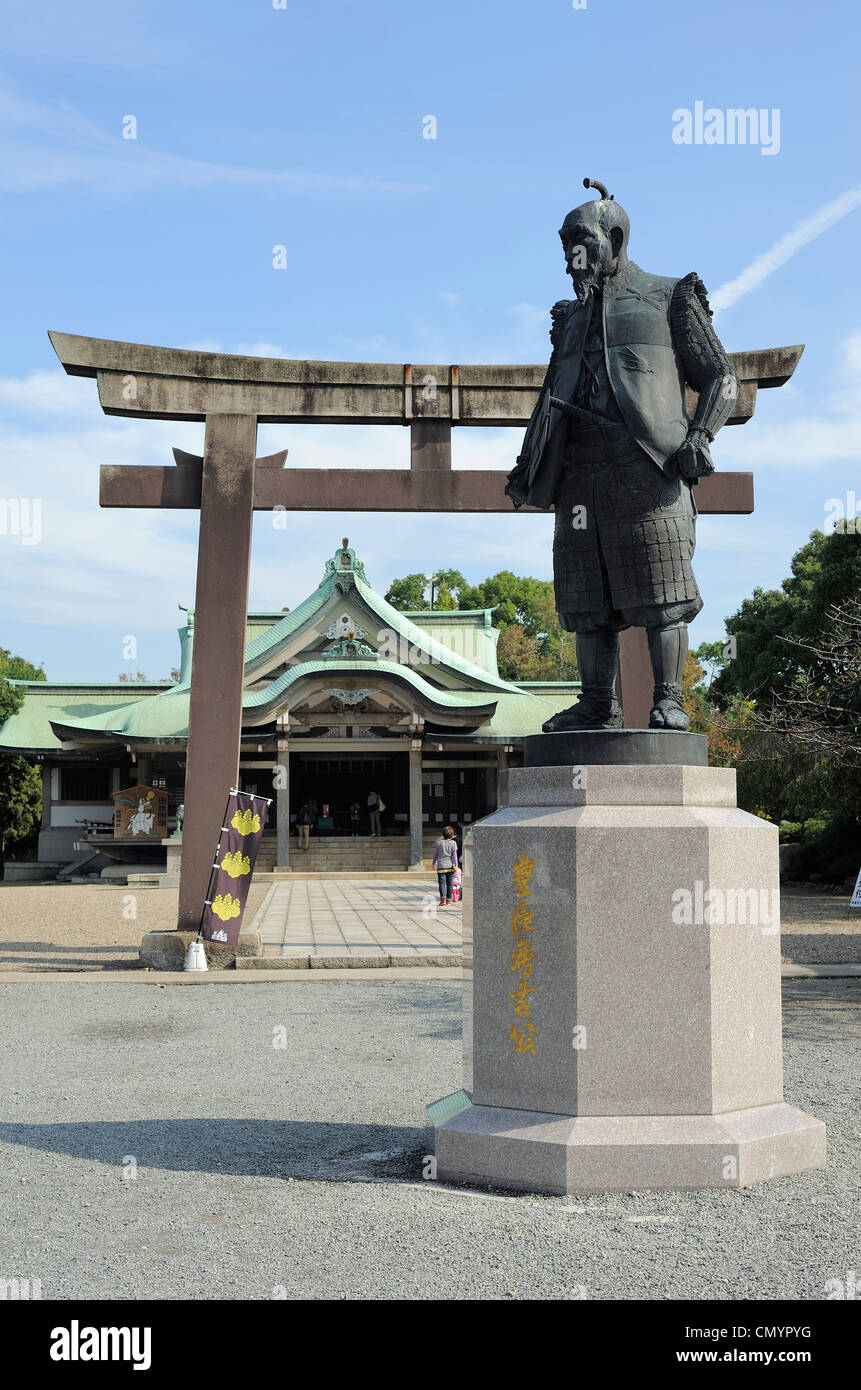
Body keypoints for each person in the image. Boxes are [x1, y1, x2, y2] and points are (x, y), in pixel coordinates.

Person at [506, 178, 738, 733]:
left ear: (615, 237)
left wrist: (700, 436)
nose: (571, 262)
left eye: (580, 247)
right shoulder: (569, 318)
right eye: (565, 251)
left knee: (662, 593)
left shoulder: (669, 296)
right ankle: (595, 704)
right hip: (579, 475)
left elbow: (722, 377)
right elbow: (549, 396)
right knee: (588, 602)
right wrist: (532, 460)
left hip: (648, 469)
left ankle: (670, 697)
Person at [432, 825, 458, 906]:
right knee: (450, 883)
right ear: (452, 834)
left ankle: (443, 898)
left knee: (442, 883)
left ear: (443, 834)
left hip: (441, 866)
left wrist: (433, 863)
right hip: (450, 866)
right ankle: (449, 900)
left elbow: (436, 854)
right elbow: (455, 856)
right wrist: (456, 865)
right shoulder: (453, 843)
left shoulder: (439, 842)